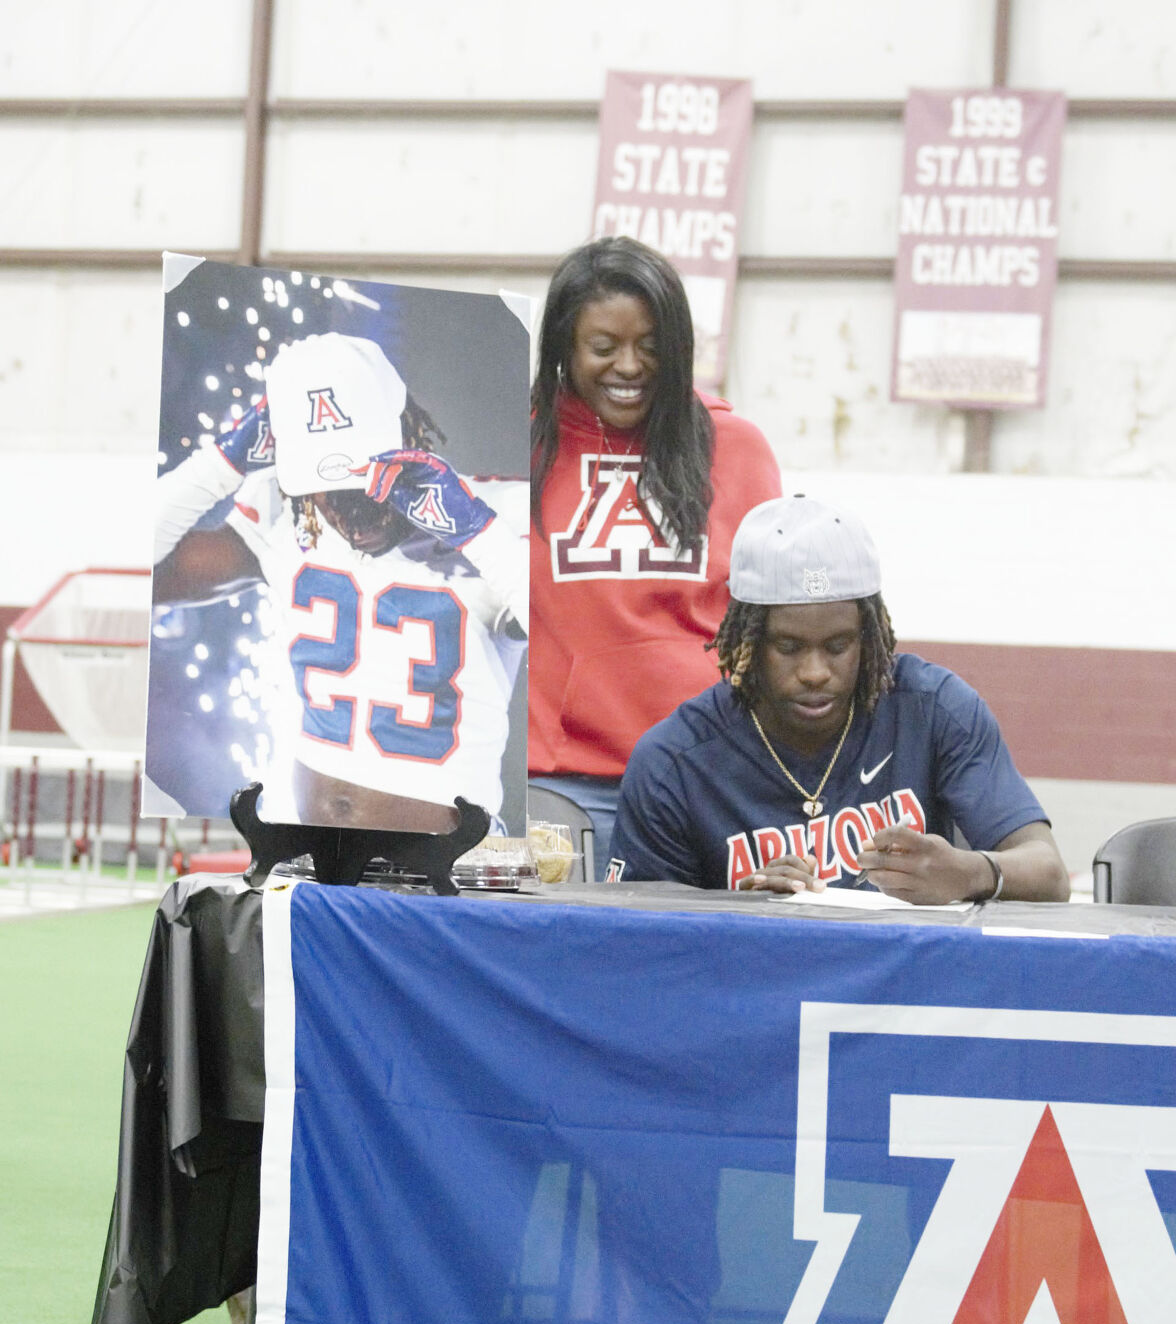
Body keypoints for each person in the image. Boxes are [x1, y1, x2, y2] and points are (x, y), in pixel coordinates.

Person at [152, 331, 527, 831]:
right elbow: (136, 571)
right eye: (324, 486)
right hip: (314, 847)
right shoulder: (285, 517)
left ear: (404, 430)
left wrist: (478, 532)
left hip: (447, 859)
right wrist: (220, 464)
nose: (349, 510)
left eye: (361, 479)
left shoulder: (497, 520)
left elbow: (574, 641)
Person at [612, 496, 1068, 903]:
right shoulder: (673, 763)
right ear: (748, 640)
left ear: (868, 637)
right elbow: (638, 939)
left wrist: (968, 873)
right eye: (788, 647)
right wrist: (743, 914)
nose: (815, 672)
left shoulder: (934, 709)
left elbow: (1049, 873)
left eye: (838, 645)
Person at [529, 237, 782, 873]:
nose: (629, 366)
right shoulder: (516, 447)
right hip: (558, 790)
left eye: (650, 345)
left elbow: (769, 619)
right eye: (603, 346)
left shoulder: (736, 447)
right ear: (563, 347)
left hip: (704, 782)